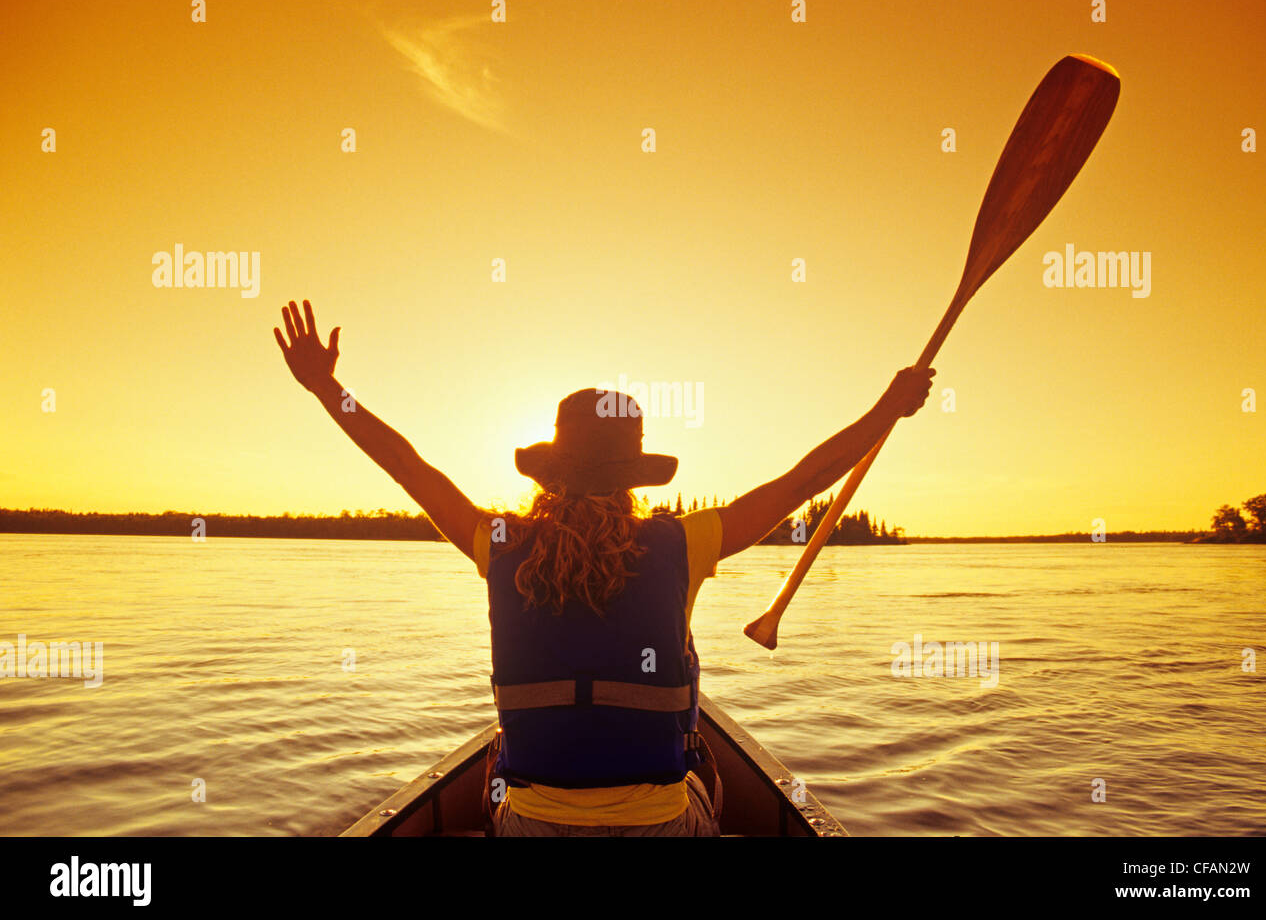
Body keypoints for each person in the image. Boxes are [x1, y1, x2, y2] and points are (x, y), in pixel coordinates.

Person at [274, 299, 934, 835]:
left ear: (553, 472)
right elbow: (801, 481)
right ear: (632, 478)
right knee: (710, 776)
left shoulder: (498, 540)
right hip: (660, 824)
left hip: (533, 823)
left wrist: (326, 387)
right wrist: (886, 409)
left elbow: (407, 466)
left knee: (493, 781)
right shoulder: (681, 543)